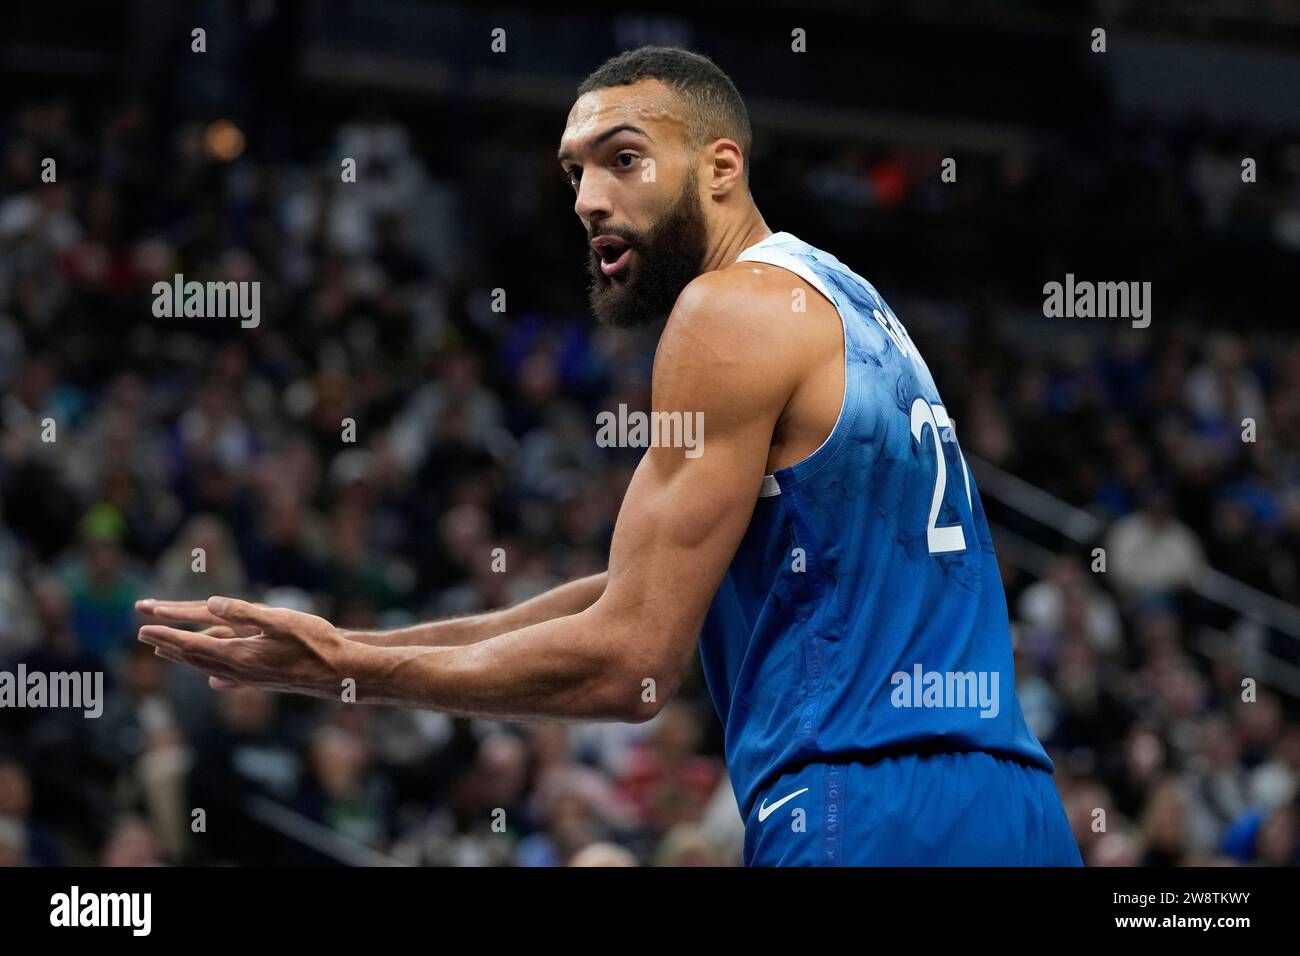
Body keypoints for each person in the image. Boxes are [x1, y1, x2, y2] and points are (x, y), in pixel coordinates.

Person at [137, 46, 1080, 866]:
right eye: (574, 172)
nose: (589, 200)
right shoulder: (843, 300)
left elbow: (629, 663)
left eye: (624, 160)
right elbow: (626, 594)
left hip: (864, 808)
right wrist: (357, 647)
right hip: (1018, 809)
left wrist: (352, 673)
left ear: (720, 166)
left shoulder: (723, 314)